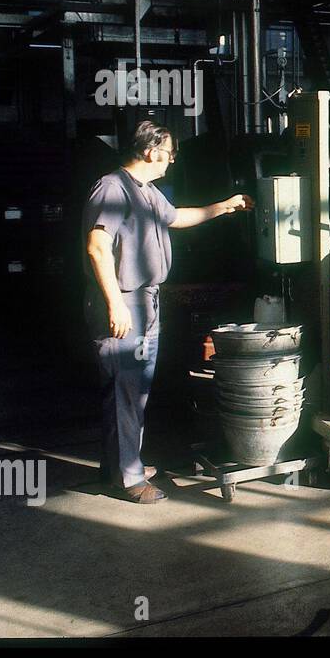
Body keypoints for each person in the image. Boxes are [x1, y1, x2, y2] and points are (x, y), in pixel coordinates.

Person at [83, 121, 254, 503]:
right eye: (169, 152)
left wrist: (225, 207)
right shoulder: (113, 188)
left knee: (135, 392)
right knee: (124, 392)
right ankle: (126, 479)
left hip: (146, 303)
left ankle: (122, 463)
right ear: (149, 151)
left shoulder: (146, 191)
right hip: (125, 303)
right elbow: (97, 247)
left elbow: (176, 218)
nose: (172, 159)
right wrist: (114, 303)